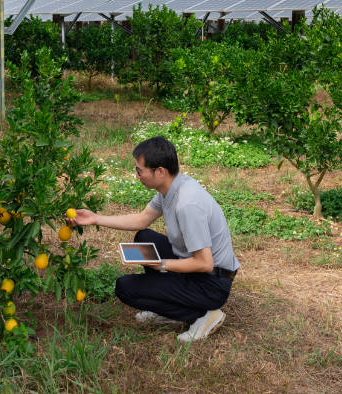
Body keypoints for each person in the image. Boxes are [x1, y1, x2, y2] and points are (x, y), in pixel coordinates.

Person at [69, 136, 240, 342]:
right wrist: (95, 218)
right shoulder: (170, 188)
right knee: (144, 236)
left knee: (126, 288)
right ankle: (170, 306)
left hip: (212, 283)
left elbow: (204, 263)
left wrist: (161, 265)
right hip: (200, 271)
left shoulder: (187, 204)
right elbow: (142, 219)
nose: (137, 175)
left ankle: (203, 315)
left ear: (160, 171)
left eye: (140, 171)